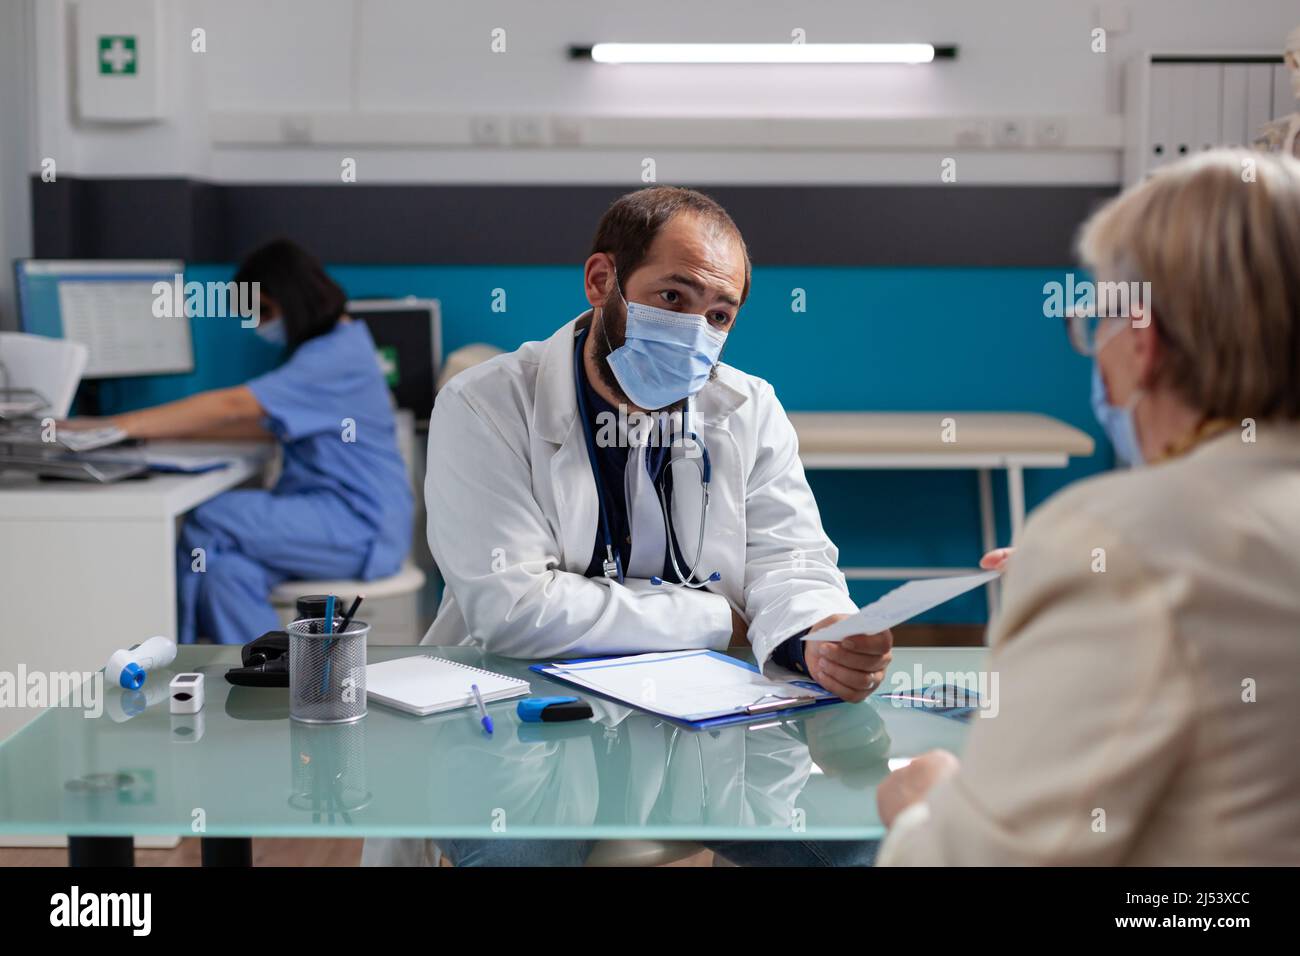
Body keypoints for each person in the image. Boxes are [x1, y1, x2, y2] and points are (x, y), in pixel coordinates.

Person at [366, 186, 892, 867]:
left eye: (720, 314)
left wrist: (816, 634)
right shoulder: (486, 404)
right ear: (601, 279)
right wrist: (715, 620)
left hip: (711, 714)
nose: (697, 333)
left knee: (853, 845)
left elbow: (791, 559)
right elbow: (515, 610)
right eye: (674, 298)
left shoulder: (747, 408)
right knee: (518, 858)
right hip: (522, 716)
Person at [876, 149, 1300, 865]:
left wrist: (923, 805)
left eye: (1094, 323)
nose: (1094, 354)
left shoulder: (1121, 537)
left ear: (1145, 341)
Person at [71, 239, 414, 645]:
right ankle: (277, 679)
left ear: (293, 298)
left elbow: (236, 405)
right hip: (336, 518)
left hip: (356, 524)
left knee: (210, 517)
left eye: (264, 311)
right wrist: (148, 432)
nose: (260, 325)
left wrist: (115, 426)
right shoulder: (340, 345)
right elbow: (263, 423)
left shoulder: (333, 357)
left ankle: (171, 657)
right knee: (223, 576)